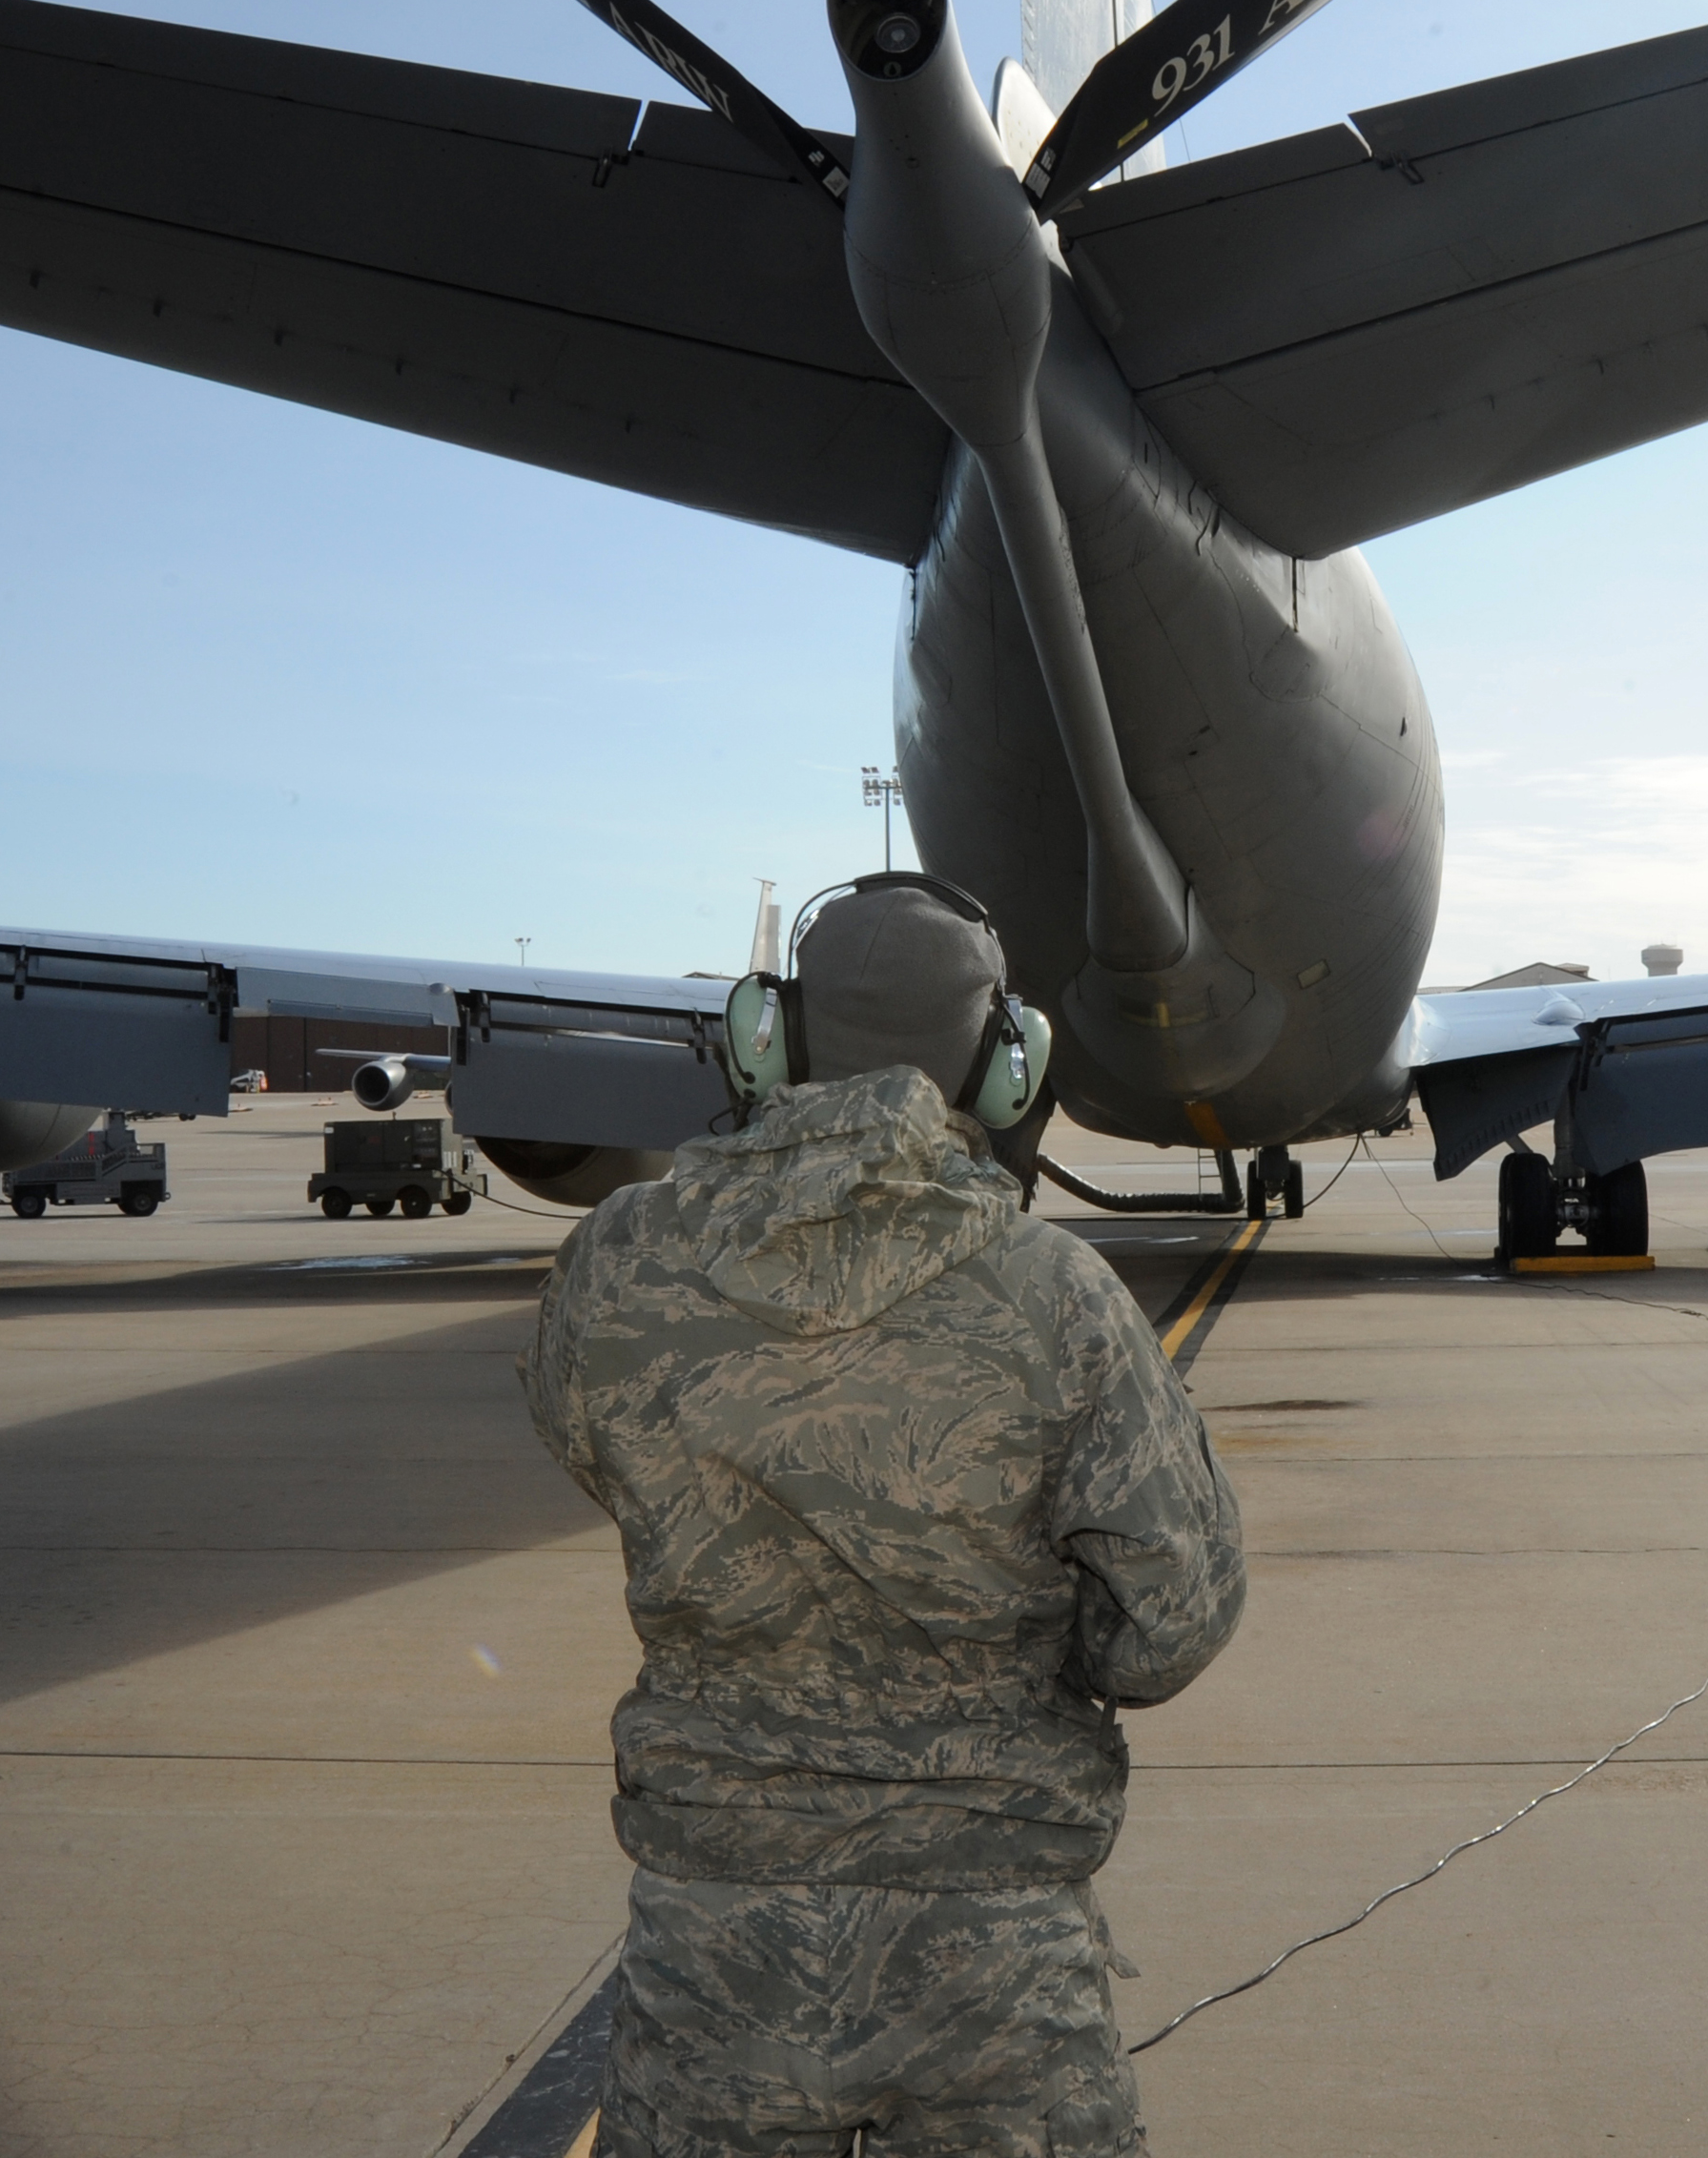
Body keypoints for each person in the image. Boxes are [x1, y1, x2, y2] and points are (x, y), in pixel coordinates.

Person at [520, 873, 1245, 2157]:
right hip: (994, 1948)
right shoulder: (1055, 1293)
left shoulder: (620, 1258)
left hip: (715, 1933)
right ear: (1006, 1064)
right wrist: (1032, 1650)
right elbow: (1169, 1624)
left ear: (769, 1037)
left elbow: (587, 1443)